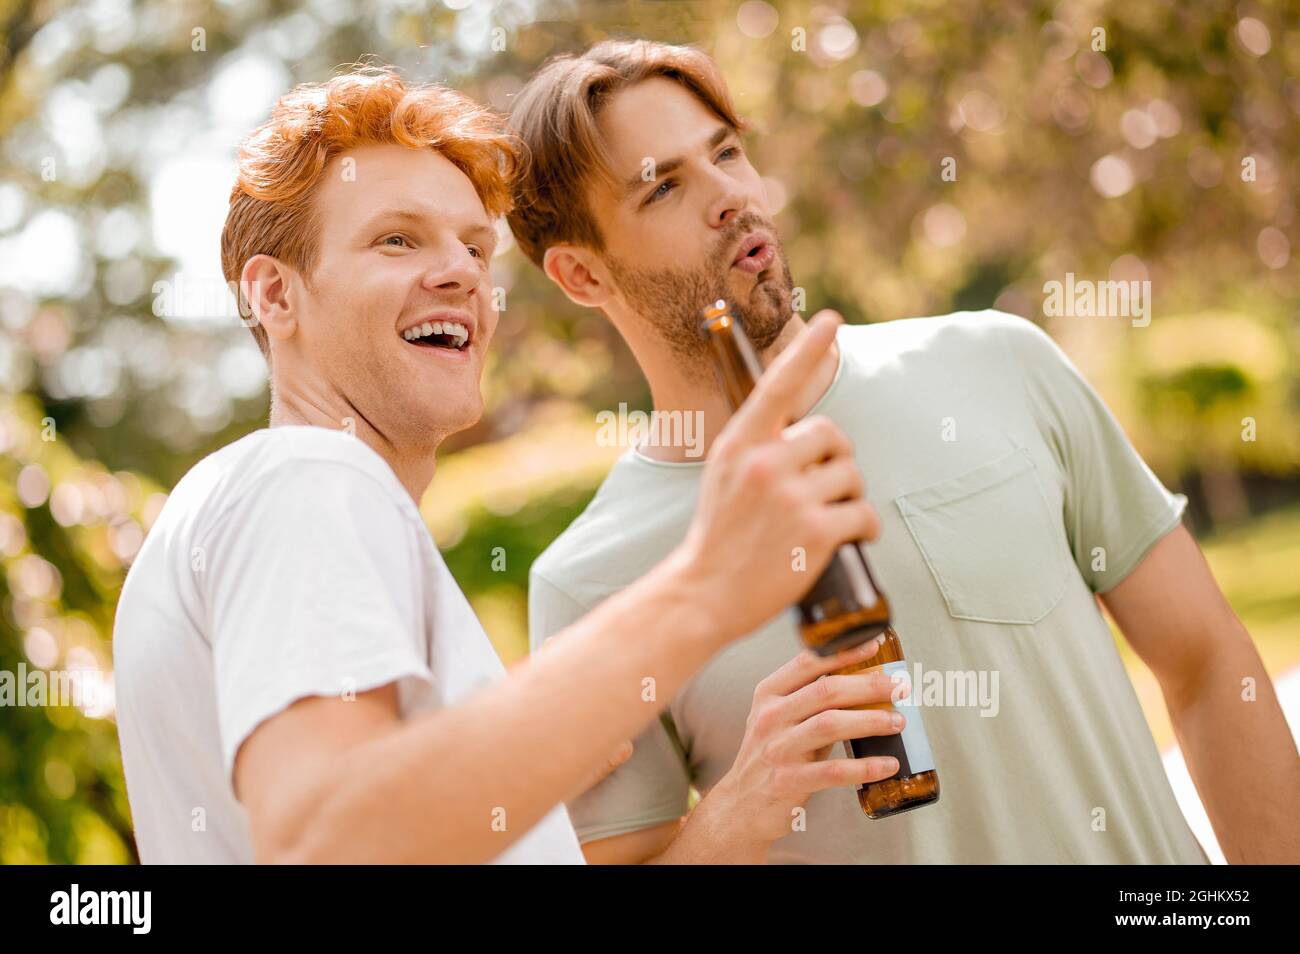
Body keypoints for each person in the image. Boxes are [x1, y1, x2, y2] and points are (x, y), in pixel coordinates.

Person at [509, 39, 1300, 864]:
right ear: (581, 275)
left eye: (728, 153)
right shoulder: (586, 585)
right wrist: (728, 818)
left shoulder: (998, 362)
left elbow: (1207, 660)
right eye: (664, 186)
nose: (731, 198)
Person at [111, 64, 893, 864]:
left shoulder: (255, 506)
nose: (463, 274)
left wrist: (532, 759)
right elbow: (325, 842)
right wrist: (707, 584)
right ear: (275, 297)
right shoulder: (310, 479)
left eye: (476, 248)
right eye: (397, 239)